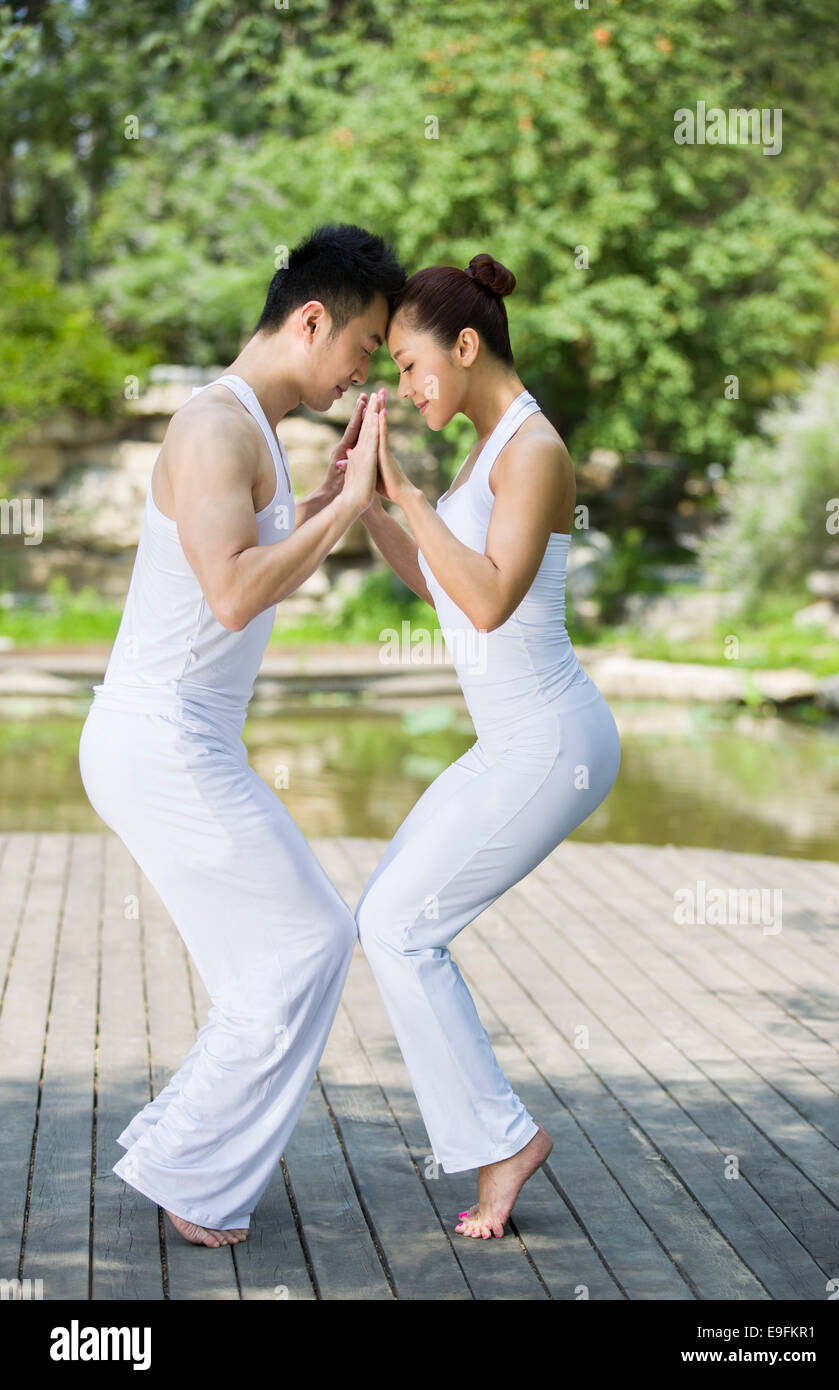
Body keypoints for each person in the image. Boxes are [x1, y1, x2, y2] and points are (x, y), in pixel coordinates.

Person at [78, 223, 405, 1247]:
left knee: (283, 951)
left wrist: (317, 498)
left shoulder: (256, 432)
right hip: (158, 738)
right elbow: (229, 595)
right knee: (306, 939)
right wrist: (345, 510)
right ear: (311, 319)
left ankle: (182, 1147)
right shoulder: (215, 428)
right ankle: (190, 1173)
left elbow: (243, 551)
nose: (363, 373)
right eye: (362, 348)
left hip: (179, 739)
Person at [348, 253, 622, 1241]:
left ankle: (501, 1142)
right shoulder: (481, 444)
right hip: (510, 741)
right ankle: (497, 1138)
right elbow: (443, 588)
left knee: (399, 927)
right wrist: (368, 502)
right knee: (383, 915)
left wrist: (406, 492)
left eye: (414, 365)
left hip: (551, 743)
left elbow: (492, 594)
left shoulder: (531, 447)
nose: (407, 385)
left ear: (466, 347)